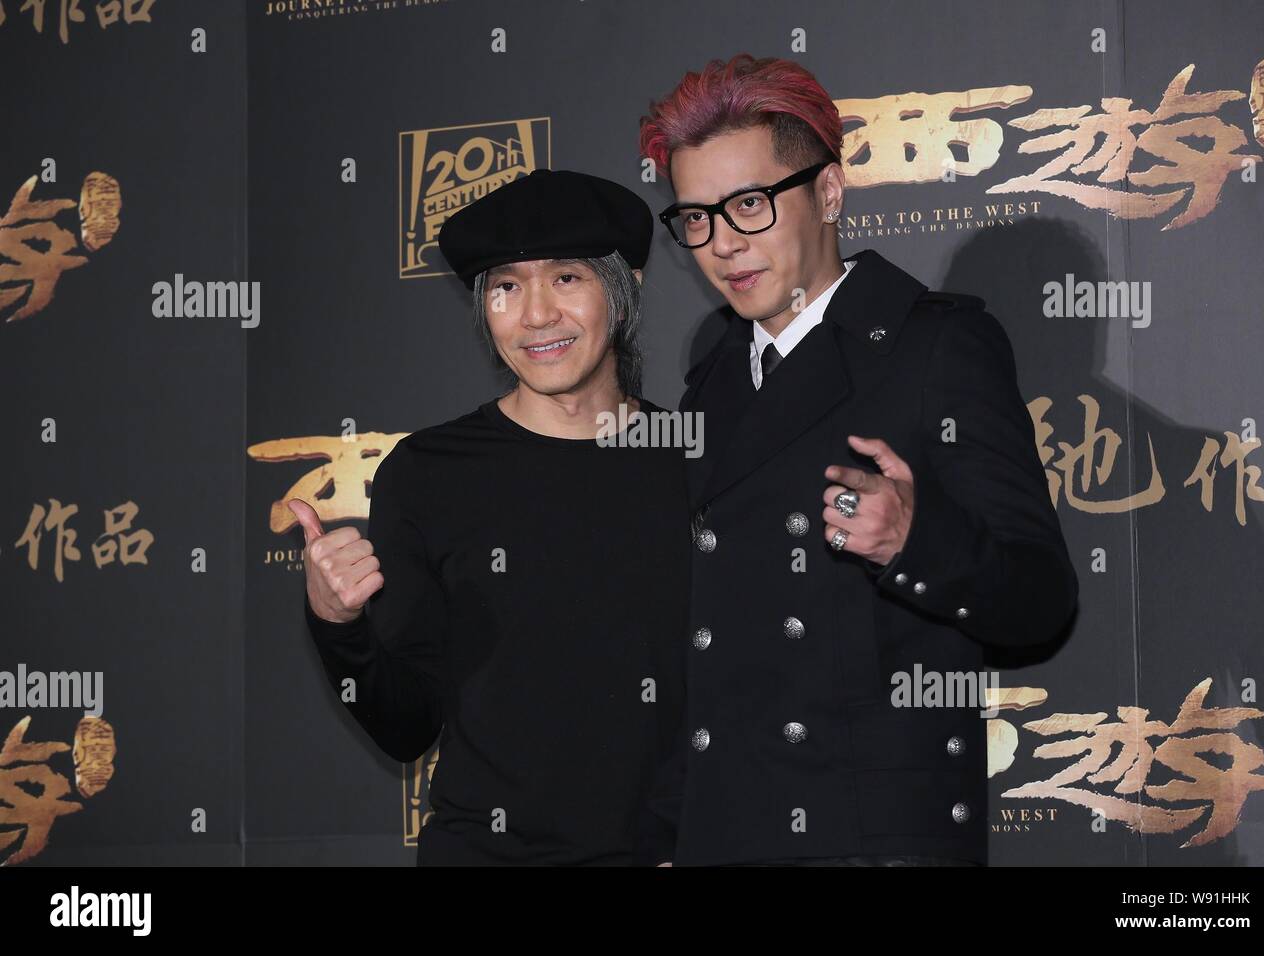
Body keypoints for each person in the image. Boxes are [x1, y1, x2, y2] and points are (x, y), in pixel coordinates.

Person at [637, 53, 1078, 866]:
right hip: (723, 834)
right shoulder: (710, 377)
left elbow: (1041, 602)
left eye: (750, 206)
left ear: (830, 193)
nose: (723, 244)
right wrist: (671, 830)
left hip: (868, 837)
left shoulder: (937, 345)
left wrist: (919, 542)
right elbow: (704, 644)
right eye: (695, 218)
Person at [290, 169, 688, 865]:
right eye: (506, 287)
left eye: (566, 278)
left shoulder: (696, 461)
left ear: (622, 293)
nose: (535, 315)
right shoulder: (428, 473)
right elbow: (406, 725)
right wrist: (336, 623)